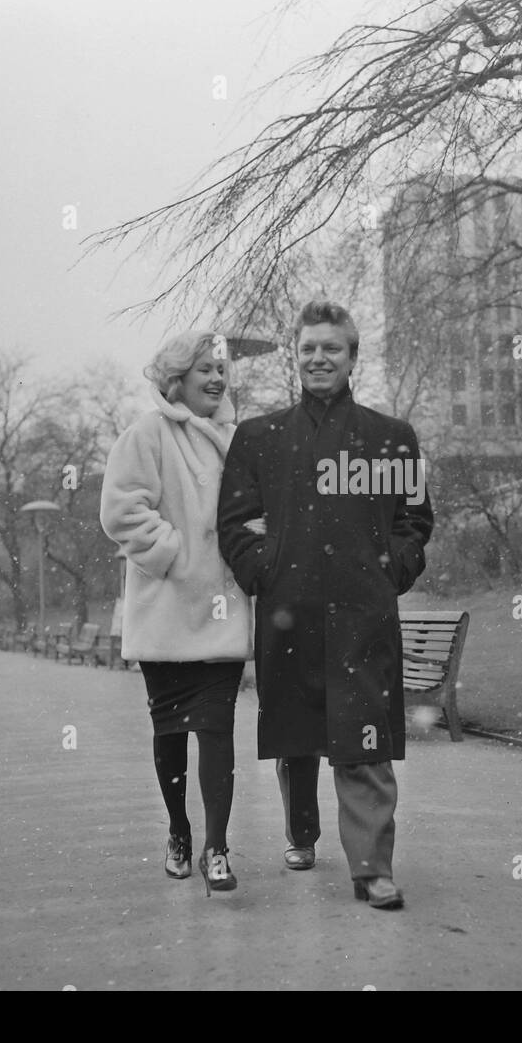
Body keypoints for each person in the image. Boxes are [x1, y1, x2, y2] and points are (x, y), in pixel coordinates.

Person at [218, 300, 433, 910]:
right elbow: (232, 524)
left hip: (363, 613)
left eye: (332, 348)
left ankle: (372, 869)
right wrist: (265, 570)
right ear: (296, 354)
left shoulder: (392, 438)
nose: (319, 358)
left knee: (363, 738)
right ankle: (302, 831)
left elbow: (415, 521)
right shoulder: (259, 438)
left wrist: (392, 569)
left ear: (352, 357)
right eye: (309, 347)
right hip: (289, 609)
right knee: (298, 732)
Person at [100, 329, 252, 897]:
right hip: (165, 610)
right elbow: (120, 511)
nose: (216, 378)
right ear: (177, 379)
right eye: (204, 370)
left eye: (220, 369)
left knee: (216, 729)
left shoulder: (237, 438)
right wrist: (172, 554)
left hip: (221, 612)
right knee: (170, 731)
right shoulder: (146, 434)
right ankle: (179, 831)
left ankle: (217, 848)